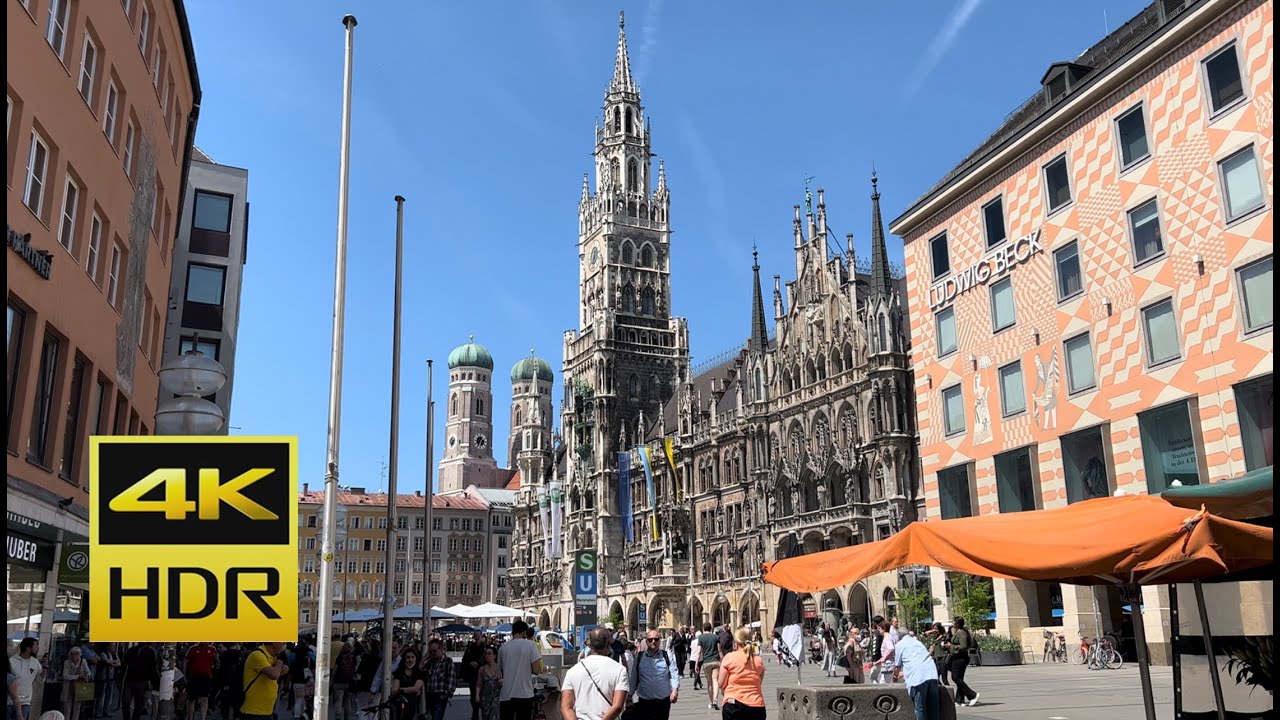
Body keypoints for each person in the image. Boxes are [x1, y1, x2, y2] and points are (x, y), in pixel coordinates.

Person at [560, 628, 628, 720]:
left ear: (589, 644)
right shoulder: (619, 670)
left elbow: (566, 707)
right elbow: (617, 706)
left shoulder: (572, 671)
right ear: (608, 644)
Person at [627, 630, 680, 720]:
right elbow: (634, 678)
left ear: (659, 640)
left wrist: (674, 690)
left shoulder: (666, 655)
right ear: (646, 642)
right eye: (650, 640)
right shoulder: (639, 657)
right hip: (645, 702)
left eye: (656, 639)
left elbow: (674, 673)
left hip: (663, 701)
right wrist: (629, 695)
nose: (653, 642)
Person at [497, 620, 543, 720]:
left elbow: (499, 673)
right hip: (524, 693)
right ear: (524, 632)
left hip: (506, 694)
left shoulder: (503, 648)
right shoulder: (530, 646)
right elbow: (536, 670)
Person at [717, 628, 765, 720]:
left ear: (736, 641)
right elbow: (759, 682)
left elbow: (721, 683)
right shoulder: (758, 660)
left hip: (734, 704)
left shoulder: (729, 658)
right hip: (756, 705)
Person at [892, 631, 940, 720]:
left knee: (920, 708)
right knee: (933, 706)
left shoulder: (900, 644)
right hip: (931, 673)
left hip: (918, 677)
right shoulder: (918, 642)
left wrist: (894, 677)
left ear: (899, 637)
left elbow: (897, 666)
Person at [239, 642, 288, 720]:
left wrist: (283, 668)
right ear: (275, 642)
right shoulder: (257, 655)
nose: (284, 644)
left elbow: (280, 671)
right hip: (253, 712)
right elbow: (274, 675)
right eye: (283, 642)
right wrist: (280, 660)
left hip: (267, 711)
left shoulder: (272, 657)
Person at [419, 640, 457, 720]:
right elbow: (420, 671)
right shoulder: (430, 663)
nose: (433, 653)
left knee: (437, 716)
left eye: (434, 651)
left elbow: (451, 678)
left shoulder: (447, 662)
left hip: (440, 694)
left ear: (441, 649)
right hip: (430, 694)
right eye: (431, 652)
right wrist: (424, 659)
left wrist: (446, 694)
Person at [945, 618, 979, 706]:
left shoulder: (961, 633)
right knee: (959, 678)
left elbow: (964, 646)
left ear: (958, 624)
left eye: (953, 622)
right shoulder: (958, 631)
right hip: (958, 657)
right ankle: (959, 700)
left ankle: (972, 695)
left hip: (960, 658)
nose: (952, 624)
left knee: (955, 678)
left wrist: (951, 646)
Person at [9, 638, 42, 720]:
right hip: (10, 700)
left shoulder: (35, 662)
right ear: (28, 648)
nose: (37, 648)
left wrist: (44, 670)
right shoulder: (12, 661)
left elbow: (39, 679)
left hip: (25, 701)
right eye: (35, 646)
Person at [184, 641, 218, 720]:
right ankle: (190, 718)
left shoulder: (212, 649)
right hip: (194, 677)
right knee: (192, 699)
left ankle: (203, 718)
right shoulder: (192, 648)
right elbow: (185, 661)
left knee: (204, 698)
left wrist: (217, 661)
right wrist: (185, 675)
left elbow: (217, 664)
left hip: (206, 678)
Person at [388, 648, 425, 720]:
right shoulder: (399, 672)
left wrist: (401, 689)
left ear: (415, 659)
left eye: (412, 657)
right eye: (408, 657)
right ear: (404, 659)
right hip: (399, 705)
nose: (410, 660)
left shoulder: (419, 673)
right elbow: (394, 689)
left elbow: (416, 688)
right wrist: (408, 690)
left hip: (413, 705)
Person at [461, 634, 487, 720]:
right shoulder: (470, 648)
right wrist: (470, 663)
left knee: (483, 695)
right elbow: (464, 659)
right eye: (476, 636)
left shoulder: (485, 647)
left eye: (478, 636)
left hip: (483, 675)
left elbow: (488, 659)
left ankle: (483, 713)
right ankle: (475, 713)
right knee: (473, 696)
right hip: (472, 675)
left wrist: (479, 663)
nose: (477, 637)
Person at [61, 647, 92, 720]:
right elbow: (65, 676)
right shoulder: (67, 662)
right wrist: (77, 676)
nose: (74, 656)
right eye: (72, 654)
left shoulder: (83, 661)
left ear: (79, 654)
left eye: (76, 654)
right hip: (69, 687)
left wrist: (87, 676)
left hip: (79, 687)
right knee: (67, 710)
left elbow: (88, 672)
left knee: (77, 708)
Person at [695, 624, 721, 709]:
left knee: (709, 682)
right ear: (711, 628)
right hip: (715, 661)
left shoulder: (701, 638)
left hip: (706, 662)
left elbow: (699, 652)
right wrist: (723, 660)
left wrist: (696, 664)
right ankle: (715, 700)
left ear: (703, 628)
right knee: (715, 681)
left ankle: (710, 702)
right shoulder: (716, 637)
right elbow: (719, 650)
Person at [475, 647, 502, 720]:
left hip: (497, 698)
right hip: (486, 698)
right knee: (485, 716)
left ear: (494, 656)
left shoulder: (500, 668)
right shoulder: (482, 669)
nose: (487, 656)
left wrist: (502, 681)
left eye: (489, 654)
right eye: (486, 654)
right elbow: (479, 683)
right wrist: (477, 695)